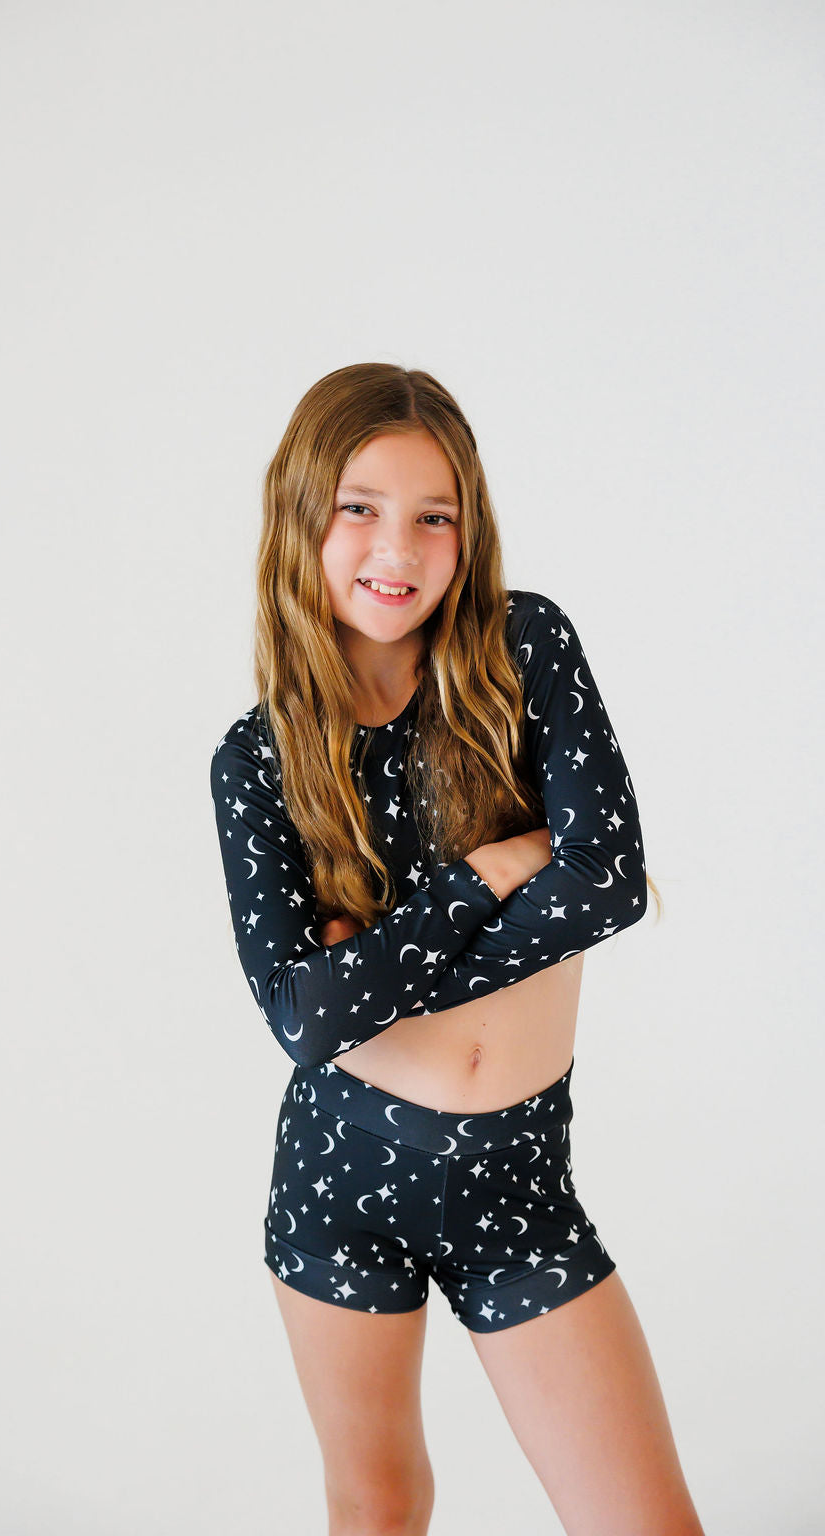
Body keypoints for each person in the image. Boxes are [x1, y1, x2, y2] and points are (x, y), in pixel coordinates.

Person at [210, 363, 704, 1535]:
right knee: (379, 1507)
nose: (399, 546)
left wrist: (374, 969)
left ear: (467, 529)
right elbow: (305, 1019)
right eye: (360, 508)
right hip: (342, 1176)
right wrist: (485, 875)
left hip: (518, 1183)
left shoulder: (523, 650)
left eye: (434, 515)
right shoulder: (259, 760)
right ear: (300, 517)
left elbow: (606, 884)